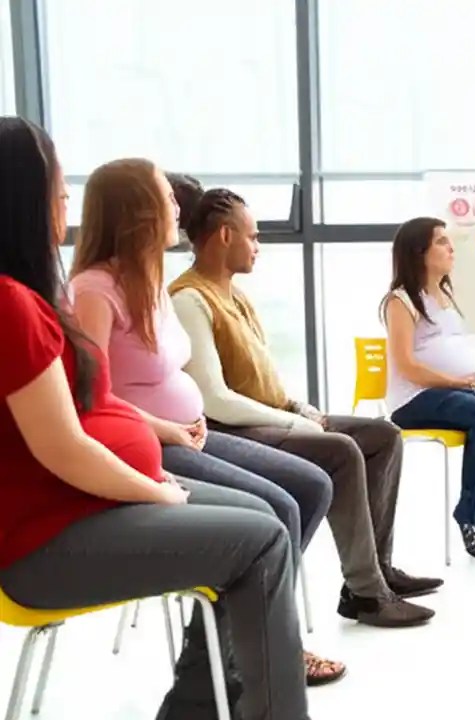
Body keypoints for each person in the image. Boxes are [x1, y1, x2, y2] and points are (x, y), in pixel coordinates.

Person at [0, 116, 309, 720]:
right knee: (265, 539)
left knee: (266, 515)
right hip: (46, 537)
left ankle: (197, 706)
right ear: (24, 199)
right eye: (58, 190)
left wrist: (159, 450)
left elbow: (96, 402)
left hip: (88, 502)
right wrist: (156, 490)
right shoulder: (13, 304)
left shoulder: (36, 297)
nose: (66, 203)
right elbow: (62, 448)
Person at [65, 158, 346, 685]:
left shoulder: (148, 282)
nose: (178, 208)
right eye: (167, 198)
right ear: (138, 212)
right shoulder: (93, 290)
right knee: (277, 507)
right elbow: (89, 397)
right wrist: (164, 428)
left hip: (189, 431)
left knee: (311, 486)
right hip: (148, 442)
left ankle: (240, 636)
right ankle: (256, 650)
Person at [168, 187, 441, 628]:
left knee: (381, 436)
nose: (258, 247)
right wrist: (296, 420)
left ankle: (377, 571)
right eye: (253, 237)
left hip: (272, 417)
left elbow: (259, 380)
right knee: (341, 449)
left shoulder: (235, 297)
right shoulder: (189, 300)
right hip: (231, 431)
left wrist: (300, 407)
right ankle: (367, 592)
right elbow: (215, 399)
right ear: (223, 236)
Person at [379, 217, 475, 559]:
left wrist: (464, 379)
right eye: (441, 242)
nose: (451, 248)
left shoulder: (444, 296)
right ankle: (473, 520)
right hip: (414, 399)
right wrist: (455, 381)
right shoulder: (400, 301)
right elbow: (407, 366)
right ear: (418, 252)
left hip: (455, 391)